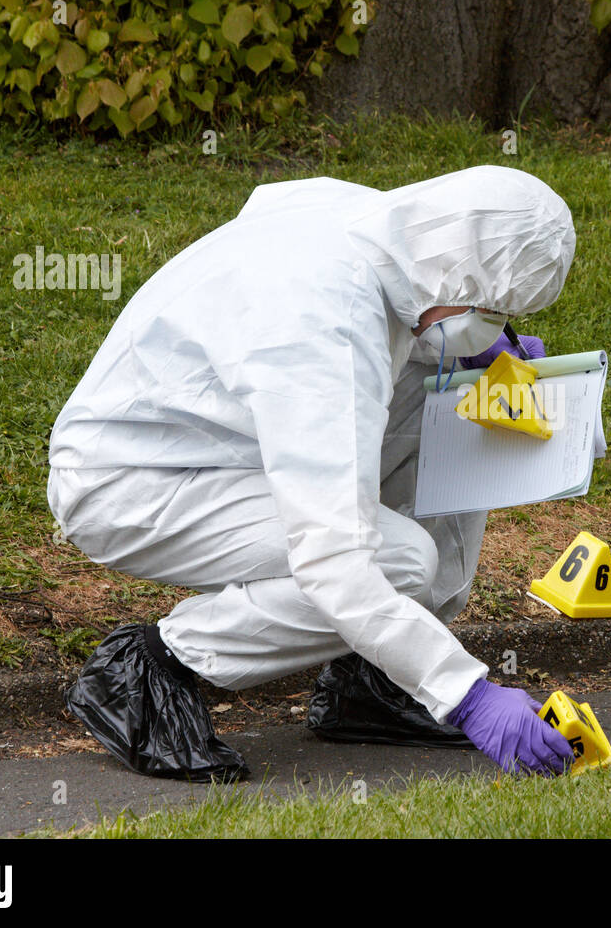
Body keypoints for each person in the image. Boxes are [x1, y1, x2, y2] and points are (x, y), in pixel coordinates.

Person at [47, 165, 578, 781]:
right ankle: (150, 668)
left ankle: (373, 680)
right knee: (395, 561)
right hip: (134, 479)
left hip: (227, 433)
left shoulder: (373, 223)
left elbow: (269, 213)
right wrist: (465, 694)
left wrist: (473, 349)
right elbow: (335, 563)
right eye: (491, 311)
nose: (494, 325)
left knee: (455, 407)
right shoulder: (324, 333)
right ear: (454, 274)